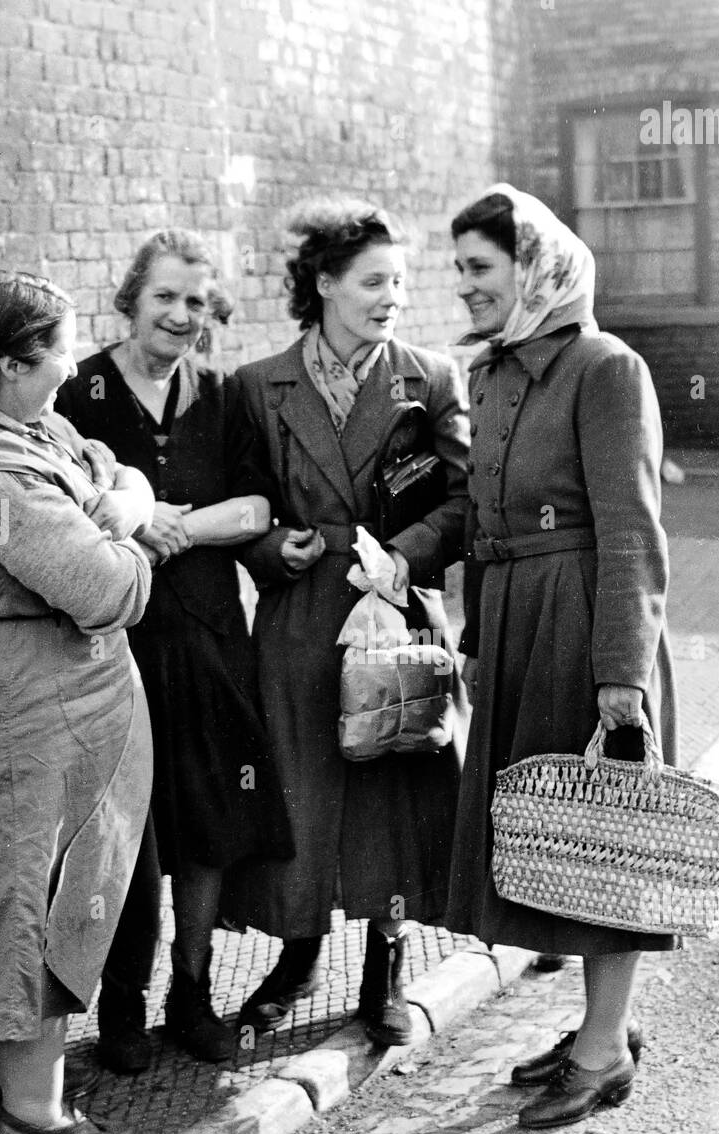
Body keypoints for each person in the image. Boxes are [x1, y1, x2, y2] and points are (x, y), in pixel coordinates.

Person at [447, 184, 679, 1130]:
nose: (463, 287)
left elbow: (631, 526)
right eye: (457, 268)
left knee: (603, 832)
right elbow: (476, 521)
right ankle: (597, 1030)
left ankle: (603, 1048)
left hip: (585, 622)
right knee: (552, 835)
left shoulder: (604, 368)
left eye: (479, 268)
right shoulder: (493, 372)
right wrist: (470, 640)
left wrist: (620, 671)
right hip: (512, 622)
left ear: (533, 268)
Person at [0, 270, 155, 1134]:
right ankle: (33, 1111)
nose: (73, 366)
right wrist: (130, 519)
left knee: (15, 878)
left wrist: (115, 497)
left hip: (26, 695)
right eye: (60, 349)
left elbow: (105, 465)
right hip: (19, 704)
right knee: (36, 889)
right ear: (17, 362)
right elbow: (107, 588)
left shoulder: (17, 429)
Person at [230, 200, 469, 1046]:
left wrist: (403, 555)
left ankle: (386, 966)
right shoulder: (257, 386)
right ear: (324, 284)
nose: (391, 296)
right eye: (373, 281)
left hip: (394, 607)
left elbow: (461, 498)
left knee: (390, 782)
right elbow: (243, 501)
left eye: (400, 281)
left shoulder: (429, 377)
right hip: (301, 615)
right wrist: (267, 549)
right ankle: (297, 956)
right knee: (299, 786)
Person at [56, 229, 292, 1072]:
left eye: (196, 301)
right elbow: (63, 507)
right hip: (111, 643)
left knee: (206, 826)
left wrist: (170, 524)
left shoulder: (221, 395)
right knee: (120, 832)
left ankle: (189, 996)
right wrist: (133, 517)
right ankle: (120, 1008)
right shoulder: (80, 390)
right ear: (131, 300)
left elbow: (257, 508)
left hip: (206, 637)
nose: (180, 315)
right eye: (164, 297)